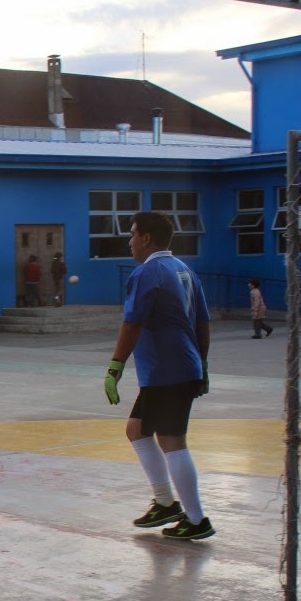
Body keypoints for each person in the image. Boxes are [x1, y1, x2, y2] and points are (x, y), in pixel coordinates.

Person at [103, 211, 214, 541]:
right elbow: (203, 322)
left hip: (168, 370)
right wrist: (202, 365)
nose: (130, 241)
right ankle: (166, 502)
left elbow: (132, 323)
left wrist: (115, 367)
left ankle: (196, 519)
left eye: (134, 234)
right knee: (137, 429)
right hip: (176, 368)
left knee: (171, 440)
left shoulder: (148, 272)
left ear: (147, 239)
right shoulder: (184, 270)